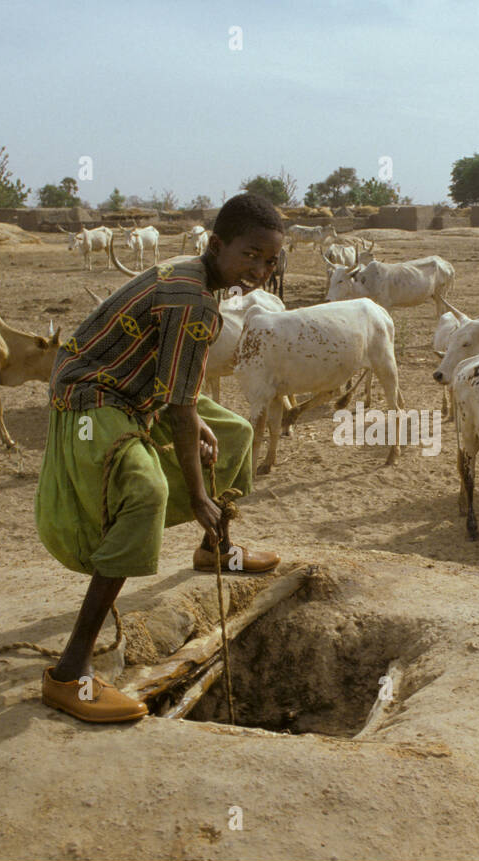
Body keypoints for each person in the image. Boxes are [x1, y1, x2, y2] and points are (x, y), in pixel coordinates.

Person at [34, 193, 285, 723]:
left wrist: (195, 427)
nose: (261, 270)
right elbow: (179, 404)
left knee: (234, 432)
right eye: (251, 256)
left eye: (270, 261)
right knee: (146, 490)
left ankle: (215, 548)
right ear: (217, 246)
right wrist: (197, 493)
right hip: (94, 393)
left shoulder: (199, 281)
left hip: (139, 387)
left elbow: (181, 397)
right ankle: (69, 673)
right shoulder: (192, 301)